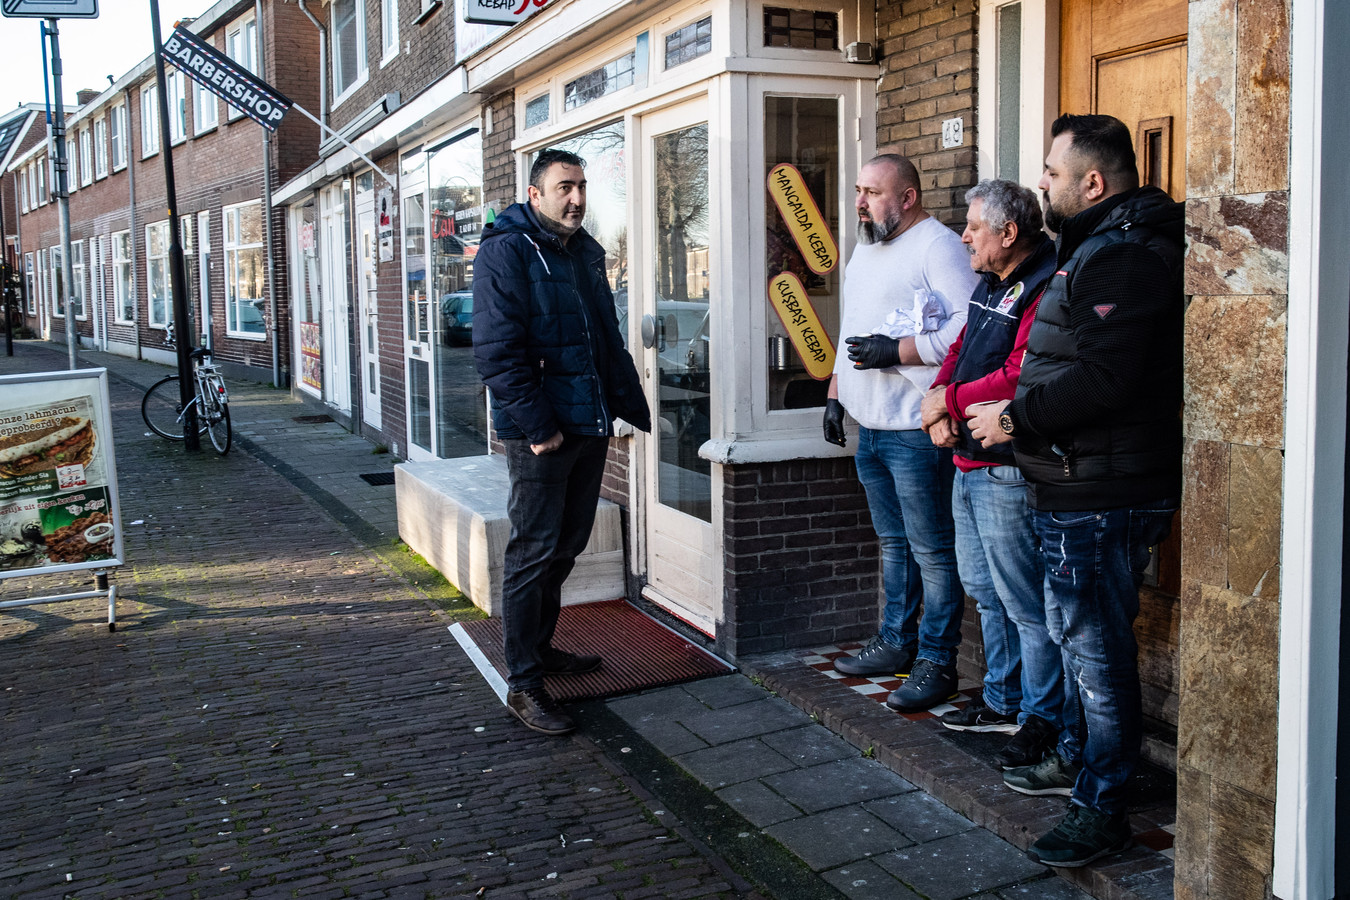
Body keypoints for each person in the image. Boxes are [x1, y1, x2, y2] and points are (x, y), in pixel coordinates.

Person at [967, 114, 1184, 867]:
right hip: (1075, 483)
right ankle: (1082, 758)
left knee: (1095, 653)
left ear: (1093, 182)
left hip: (1101, 490)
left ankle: (1103, 806)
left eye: (1053, 174)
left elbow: (1106, 380)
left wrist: (1012, 417)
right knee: (1080, 640)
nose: (1043, 186)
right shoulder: (1095, 247)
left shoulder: (1122, 256)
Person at [473, 149, 652, 736]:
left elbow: (604, 338)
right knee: (533, 551)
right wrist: (539, 427)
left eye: (581, 187)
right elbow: (498, 351)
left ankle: (542, 650)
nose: (576, 199)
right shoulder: (508, 250)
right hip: (544, 435)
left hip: (588, 424)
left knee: (567, 546)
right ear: (535, 193)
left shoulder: (582, 253)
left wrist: (622, 404)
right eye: (563, 188)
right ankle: (523, 685)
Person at [824, 153, 979, 712]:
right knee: (894, 545)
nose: (860, 202)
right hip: (871, 426)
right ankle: (896, 643)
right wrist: (836, 395)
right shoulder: (865, 247)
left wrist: (901, 351)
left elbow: (968, 328)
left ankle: (937, 662)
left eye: (872, 192)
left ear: (908, 197)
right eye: (859, 190)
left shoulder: (938, 246)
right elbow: (850, 327)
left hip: (918, 429)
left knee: (933, 552)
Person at [920, 179, 1063, 771]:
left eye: (974, 227)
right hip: (967, 463)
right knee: (985, 590)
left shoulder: (1045, 282)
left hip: (1008, 469)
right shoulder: (989, 281)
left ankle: (1041, 718)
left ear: (1009, 233)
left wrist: (947, 401)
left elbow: (1015, 375)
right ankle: (1003, 698)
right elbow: (960, 350)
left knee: (1026, 603)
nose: (964, 236)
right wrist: (939, 400)